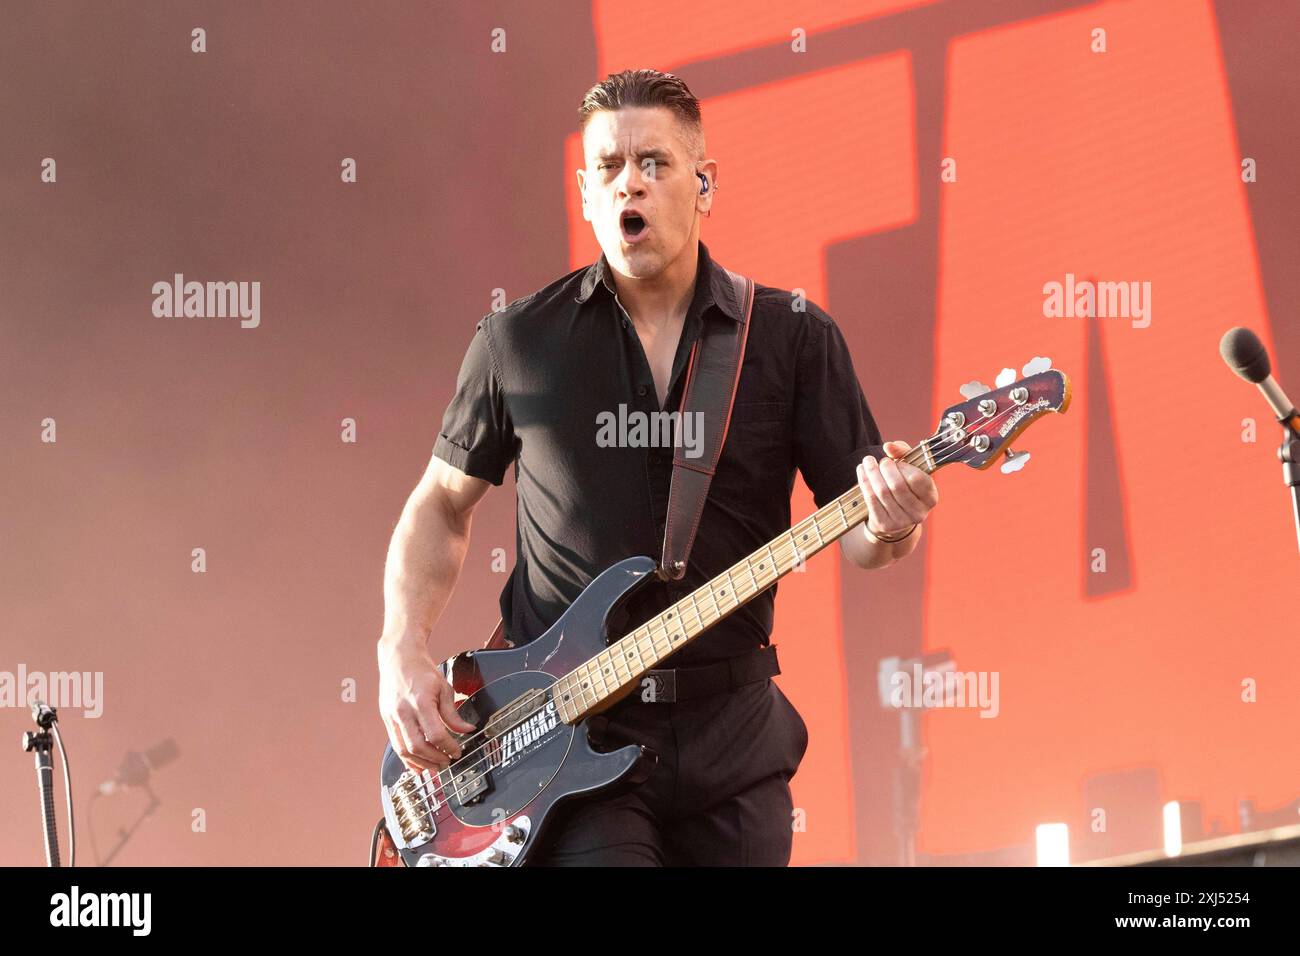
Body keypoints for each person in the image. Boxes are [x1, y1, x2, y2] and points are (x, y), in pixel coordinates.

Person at [377, 69, 938, 865]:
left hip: (734, 735)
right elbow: (440, 502)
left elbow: (864, 535)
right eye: (608, 167)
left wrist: (893, 523)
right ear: (583, 192)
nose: (628, 183)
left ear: (704, 183)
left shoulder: (792, 338)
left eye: (654, 163)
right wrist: (401, 647)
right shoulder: (518, 342)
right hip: (571, 741)